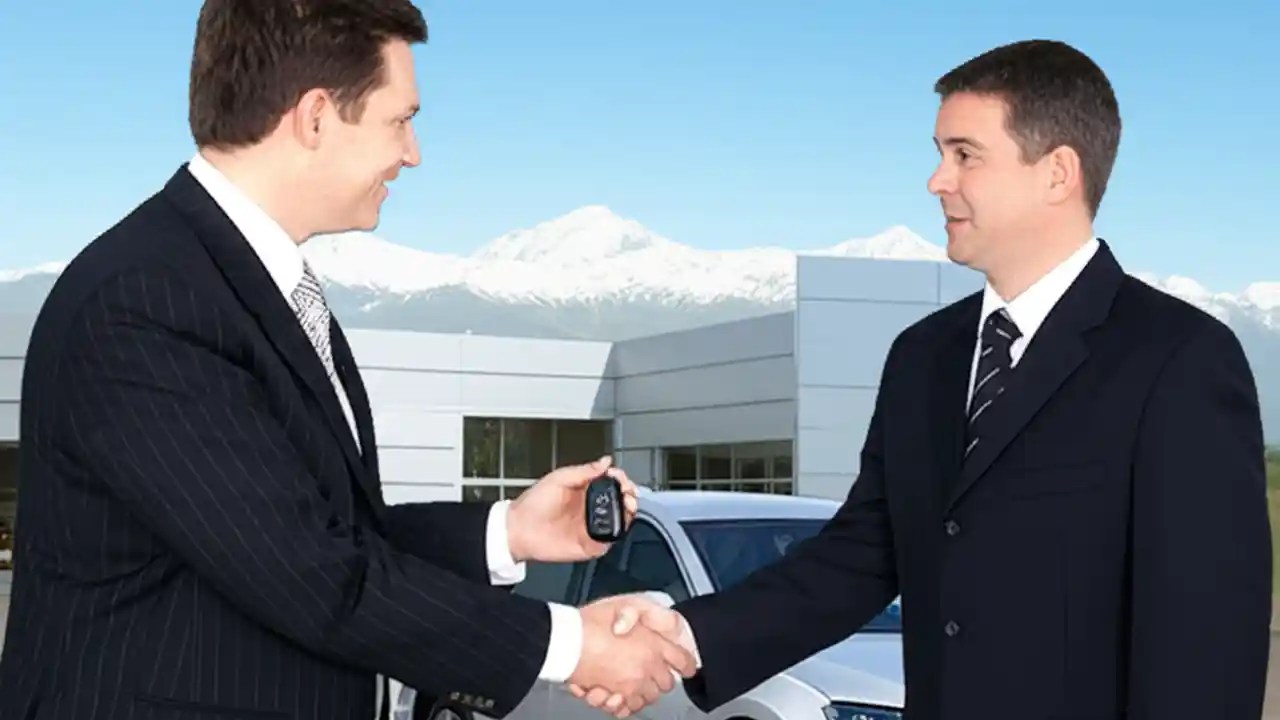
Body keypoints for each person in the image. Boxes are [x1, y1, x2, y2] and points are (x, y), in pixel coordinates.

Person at [0, 2, 694, 719]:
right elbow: (308, 573)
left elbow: (319, 533)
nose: (414, 151)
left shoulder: (243, 286)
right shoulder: (145, 302)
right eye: (401, 118)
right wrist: (571, 644)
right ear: (317, 117)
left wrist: (511, 531)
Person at [577, 38, 1273, 719]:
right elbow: (860, 556)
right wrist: (688, 636)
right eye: (939, 155)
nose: (937, 181)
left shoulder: (1178, 359)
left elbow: (1205, 646)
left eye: (964, 154)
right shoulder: (922, 356)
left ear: (1057, 172)